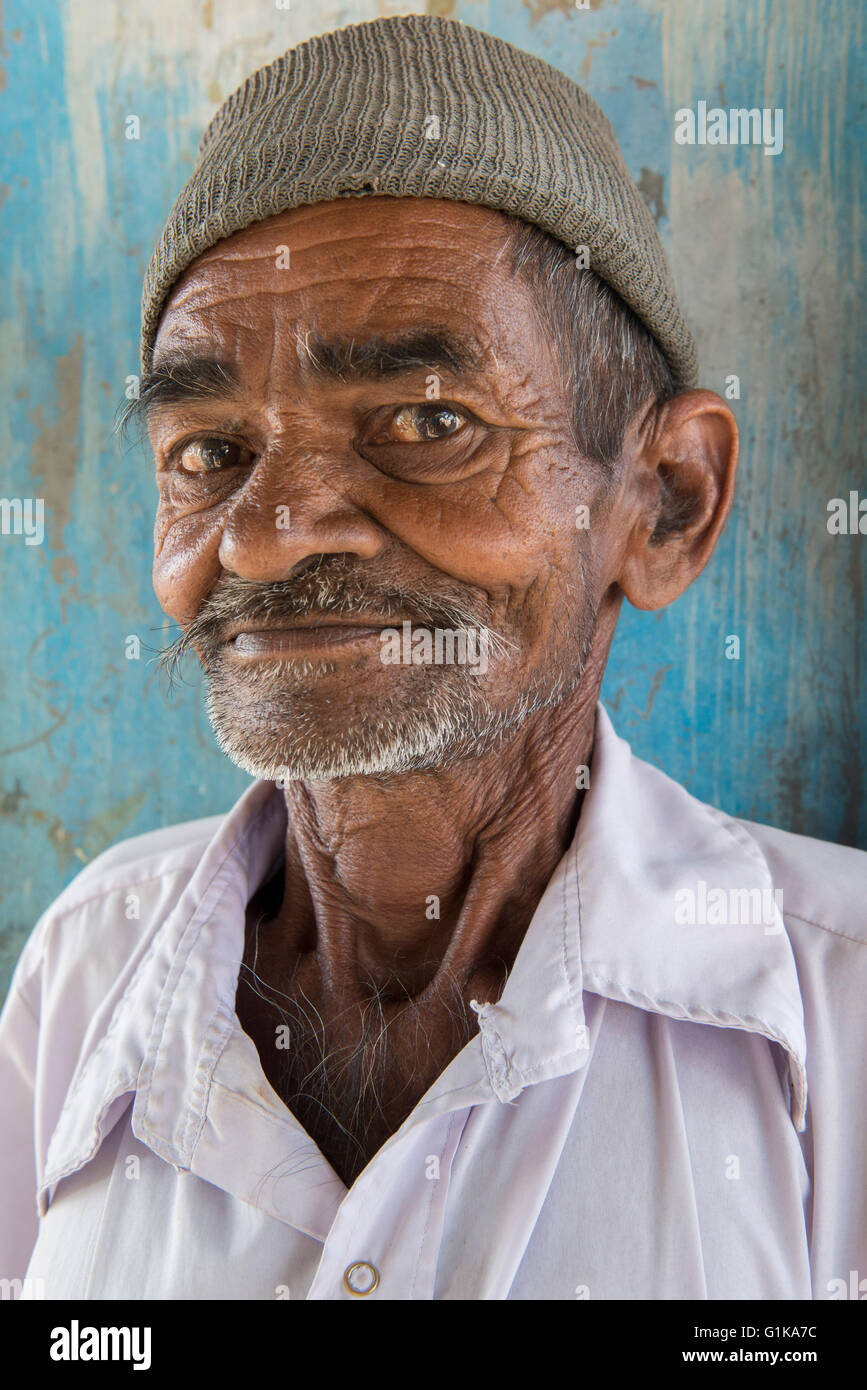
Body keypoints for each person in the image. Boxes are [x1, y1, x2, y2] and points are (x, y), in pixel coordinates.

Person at [1, 13, 864, 1301]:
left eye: (425, 421)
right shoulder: (85, 965)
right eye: (208, 452)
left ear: (667, 501)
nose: (270, 543)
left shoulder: (836, 1016)